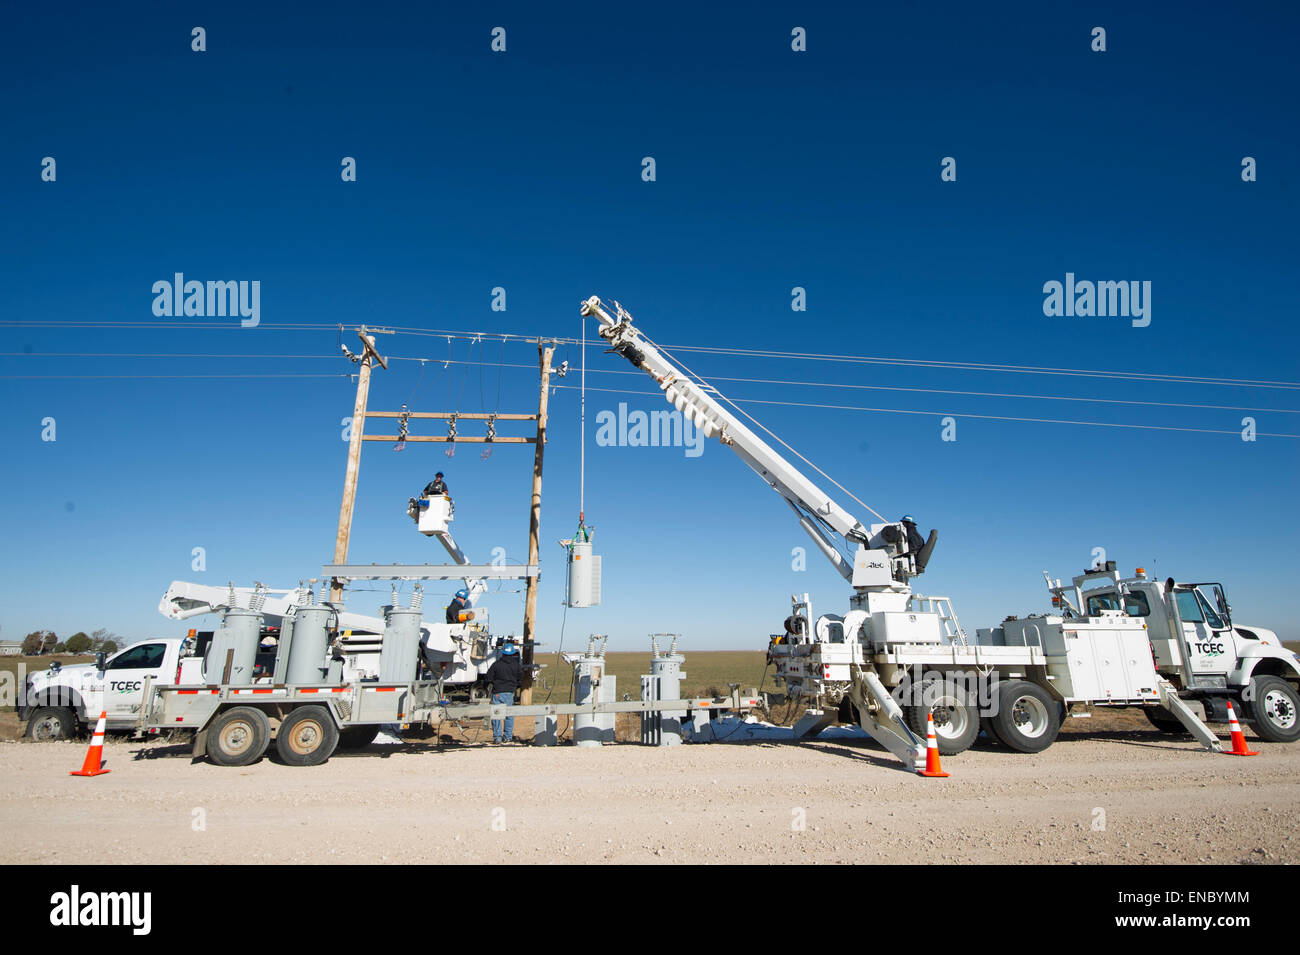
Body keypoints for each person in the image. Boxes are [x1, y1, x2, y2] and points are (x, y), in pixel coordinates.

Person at [485, 638, 523, 743]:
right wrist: (515, 686)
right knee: (509, 715)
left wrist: (492, 684)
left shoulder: (496, 664)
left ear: (503, 653)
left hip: (497, 693)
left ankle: (497, 738)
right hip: (510, 693)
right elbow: (521, 679)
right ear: (512, 653)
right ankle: (508, 737)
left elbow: (488, 678)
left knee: (496, 714)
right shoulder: (516, 665)